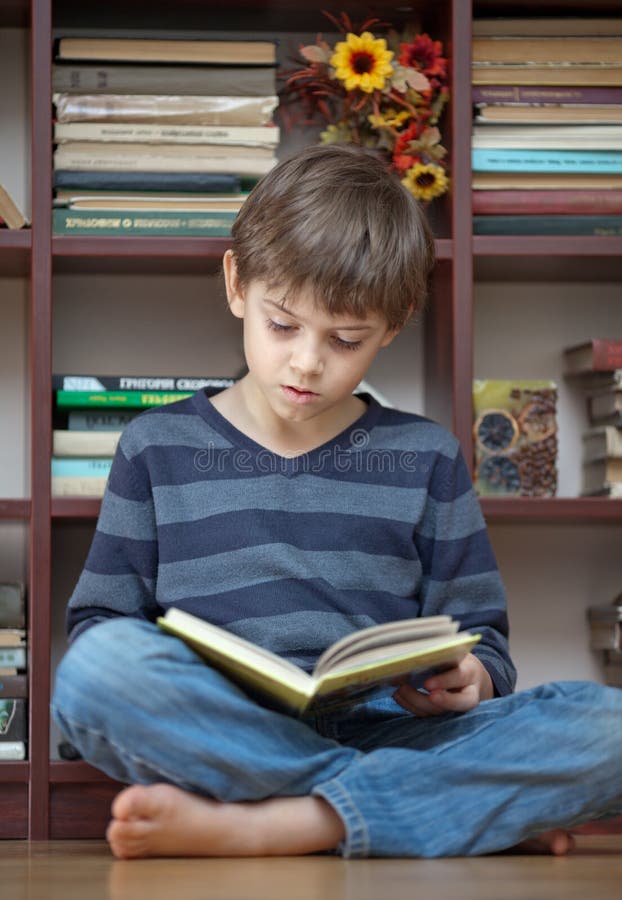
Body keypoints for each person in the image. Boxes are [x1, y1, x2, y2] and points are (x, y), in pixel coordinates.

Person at [51, 144, 622, 861]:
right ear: (236, 283)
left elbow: (486, 649)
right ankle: (436, 811)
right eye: (282, 325)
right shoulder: (154, 446)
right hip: (229, 733)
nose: (307, 362)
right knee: (95, 675)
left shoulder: (428, 459)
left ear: (394, 323)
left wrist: (465, 680)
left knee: (607, 728)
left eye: (345, 339)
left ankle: (282, 825)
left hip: (396, 731)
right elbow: (101, 627)